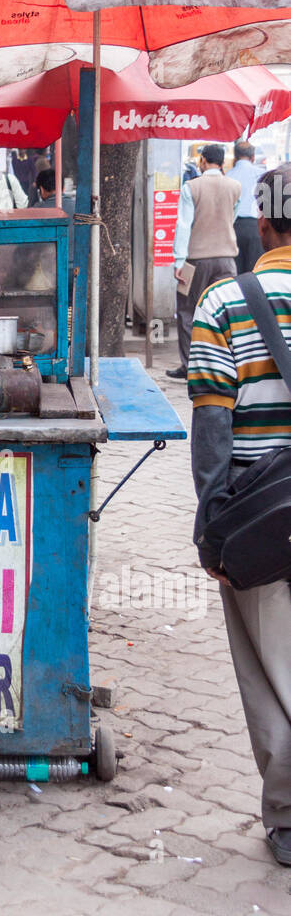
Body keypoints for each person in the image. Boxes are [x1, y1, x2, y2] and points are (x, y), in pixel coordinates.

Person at [188, 162, 291, 866]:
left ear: (265, 222)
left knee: (273, 671)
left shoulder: (226, 301)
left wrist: (211, 522)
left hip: (262, 516)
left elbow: (213, 427)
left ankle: (288, 817)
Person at [166, 143, 240, 380]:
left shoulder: (192, 187)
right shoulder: (235, 187)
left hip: (194, 260)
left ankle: (189, 366)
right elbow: (233, 217)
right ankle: (226, 365)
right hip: (227, 259)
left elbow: (184, 224)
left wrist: (178, 259)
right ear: (221, 162)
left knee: (188, 312)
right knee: (227, 312)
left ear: (203, 161)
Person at [227, 140, 263, 273]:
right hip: (256, 228)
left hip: (233, 228)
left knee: (236, 272)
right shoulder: (262, 174)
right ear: (253, 157)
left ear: (235, 157)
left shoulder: (228, 176)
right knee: (254, 271)